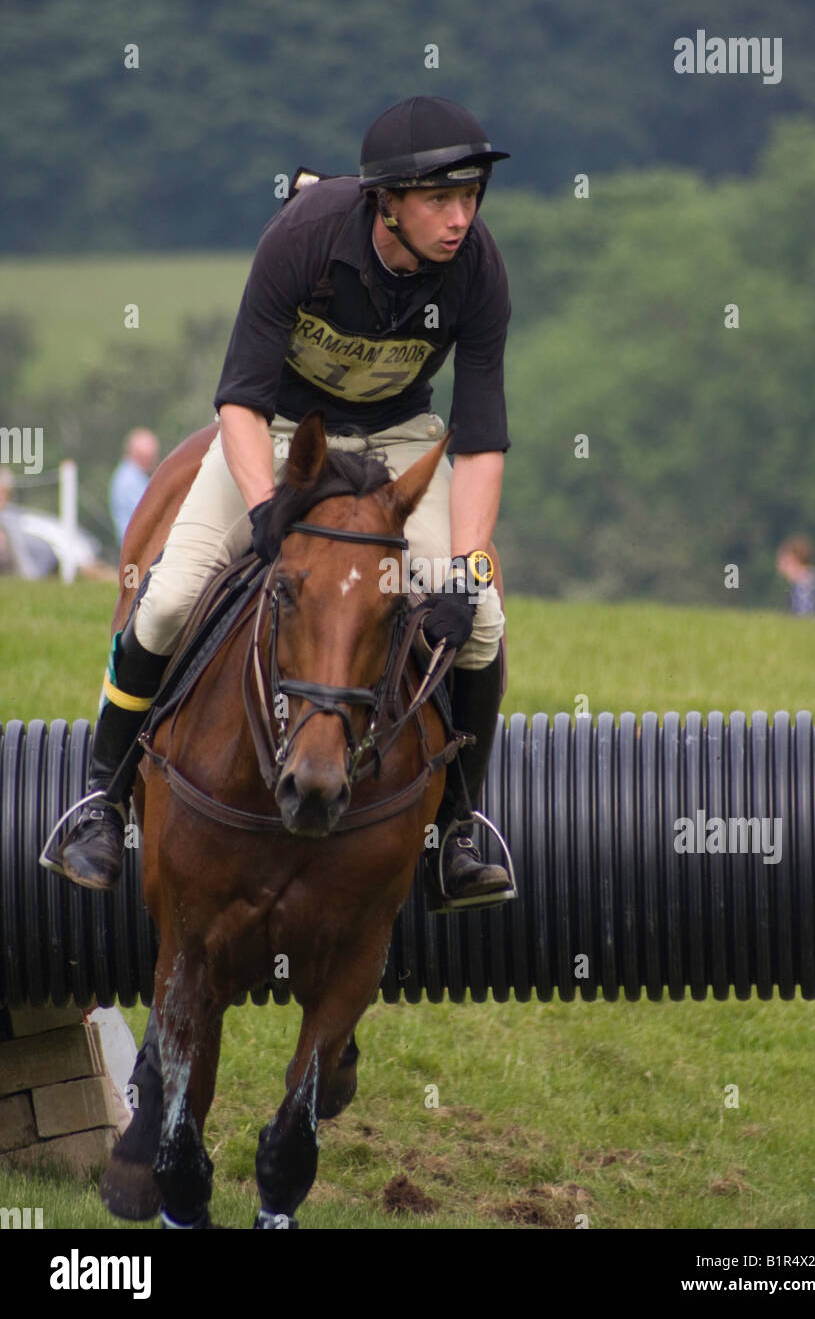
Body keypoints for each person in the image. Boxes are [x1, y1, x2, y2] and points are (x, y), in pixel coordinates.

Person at [52, 95, 515, 911]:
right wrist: (269, 509)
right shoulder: (302, 236)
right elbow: (238, 400)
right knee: (167, 601)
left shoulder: (477, 268)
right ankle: (102, 801)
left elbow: (478, 440)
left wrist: (469, 569)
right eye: (440, 199)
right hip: (275, 430)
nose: (460, 218)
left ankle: (459, 829)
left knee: (480, 623)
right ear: (387, 202)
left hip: (400, 436)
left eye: (470, 197)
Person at [109, 429, 160, 545]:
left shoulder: (135, 476)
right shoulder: (130, 479)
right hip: (137, 552)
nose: (154, 461)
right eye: (151, 457)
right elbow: (149, 515)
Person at [775, 535, 815, 618]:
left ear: (794, 561)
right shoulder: (811, 580)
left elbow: (803, 616)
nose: (780, 567)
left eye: (784, 562)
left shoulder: (805, 586)